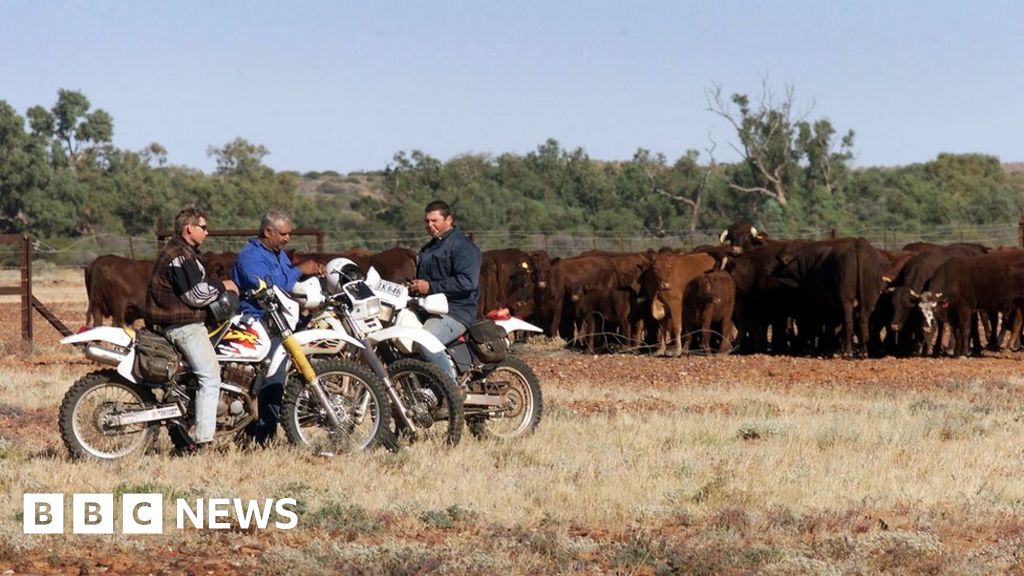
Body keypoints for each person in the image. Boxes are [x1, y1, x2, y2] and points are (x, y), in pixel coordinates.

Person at [144, 206, 238, 450]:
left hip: (180, 322)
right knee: (210, 376)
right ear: (189, 228)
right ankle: (204, 440)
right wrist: (223, 285)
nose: (207, 232)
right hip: (182, 325)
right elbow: (196, 295)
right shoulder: (180, 256)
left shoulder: (182, 251)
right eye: (203, 227)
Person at [231, 210, 324, 445]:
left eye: (289, 234)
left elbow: (289, 283)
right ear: (267, 232)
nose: (287, 238)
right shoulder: (249, 257)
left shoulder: (278, 254)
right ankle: (265, 434)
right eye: (283, 234)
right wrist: (300, 270)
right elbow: (270, 286)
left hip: (281, 321)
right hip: (260, 324)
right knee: (274, 377)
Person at [409, 200, 482, 384]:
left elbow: (468, 281)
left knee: (424, 343)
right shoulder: (428, 248)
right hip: (429, 309)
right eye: (426, 221)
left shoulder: (463, 246)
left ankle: (451, 390)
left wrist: (430, 287)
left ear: (449, 220)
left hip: (455, 311)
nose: (430, 225)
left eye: (435, 220)